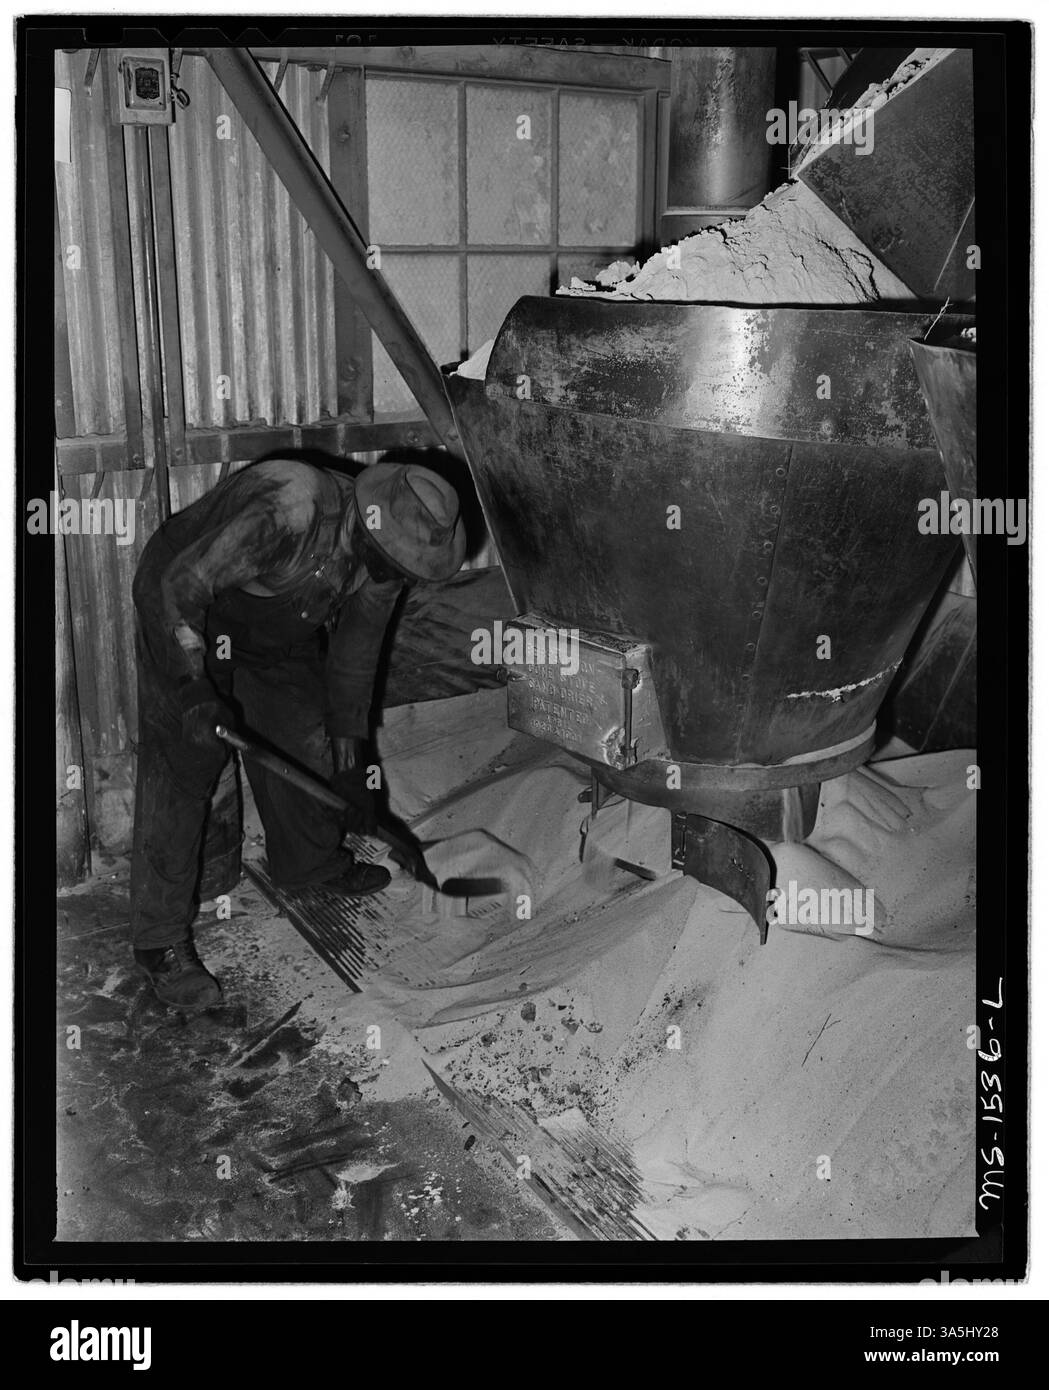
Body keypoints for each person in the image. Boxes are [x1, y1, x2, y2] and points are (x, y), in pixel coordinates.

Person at [129, 456, 466, 1009]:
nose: (391, 578)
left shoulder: (386, 565)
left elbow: (354, 664)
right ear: (365, 522)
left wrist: (353, 768)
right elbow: (179, 589)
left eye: (404, 571)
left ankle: (307, 864)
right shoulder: (289, 509)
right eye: (388, 564)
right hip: (184, 612)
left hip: (272, 631)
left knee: (310, 742)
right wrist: (194, 687)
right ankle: (160, 942)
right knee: (186, 766)